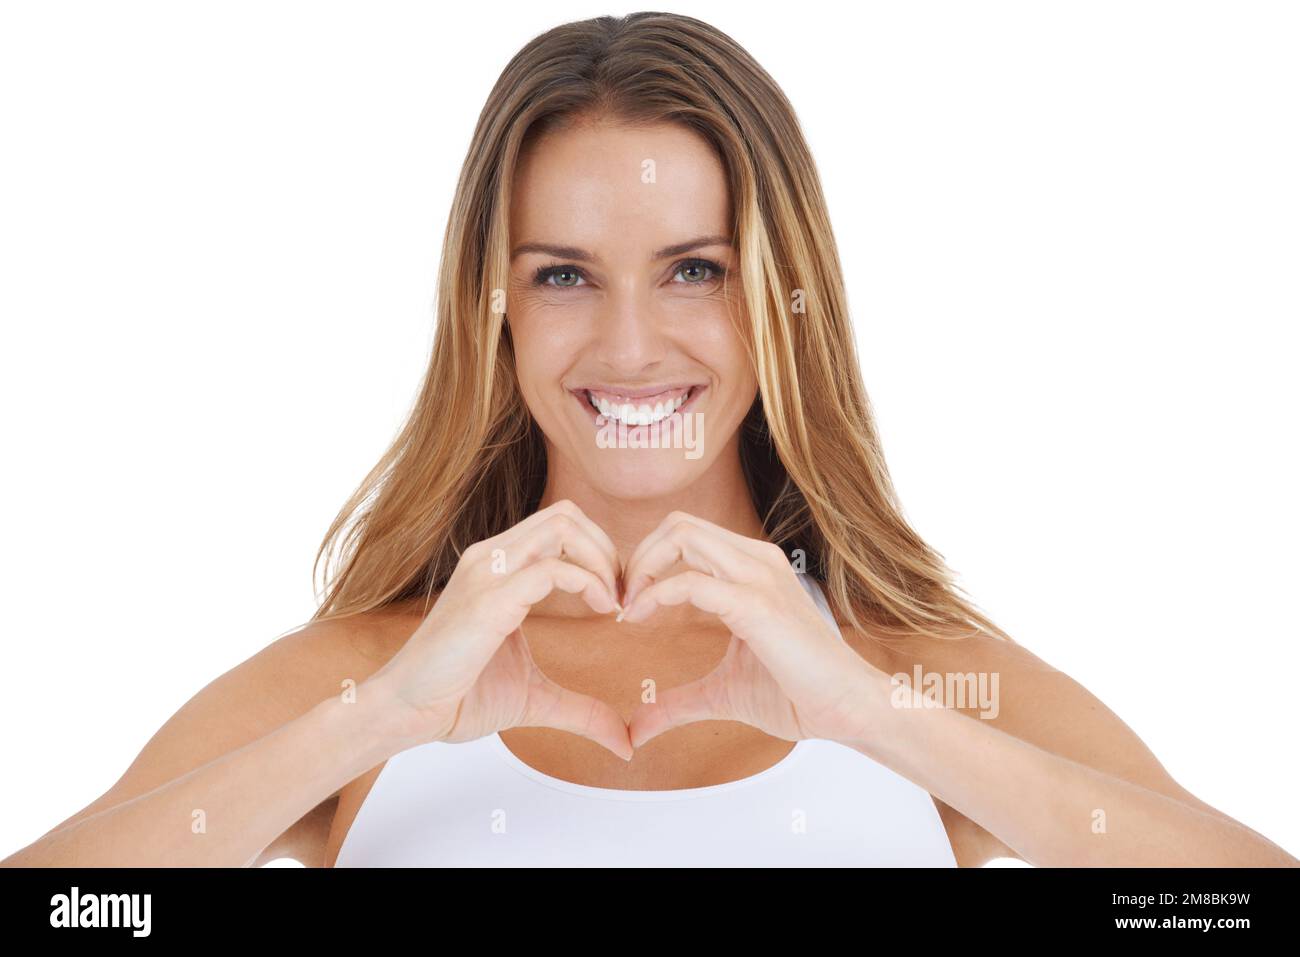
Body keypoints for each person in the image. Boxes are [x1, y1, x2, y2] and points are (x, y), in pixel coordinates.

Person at [4, 12, 1295, 868]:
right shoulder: (367, 678)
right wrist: (375, 722)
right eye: (564, 275)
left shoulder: (919, 673)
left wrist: (872, 713)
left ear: (784, 296)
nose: (630, 348)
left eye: (695, 270)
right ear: (492, 309)